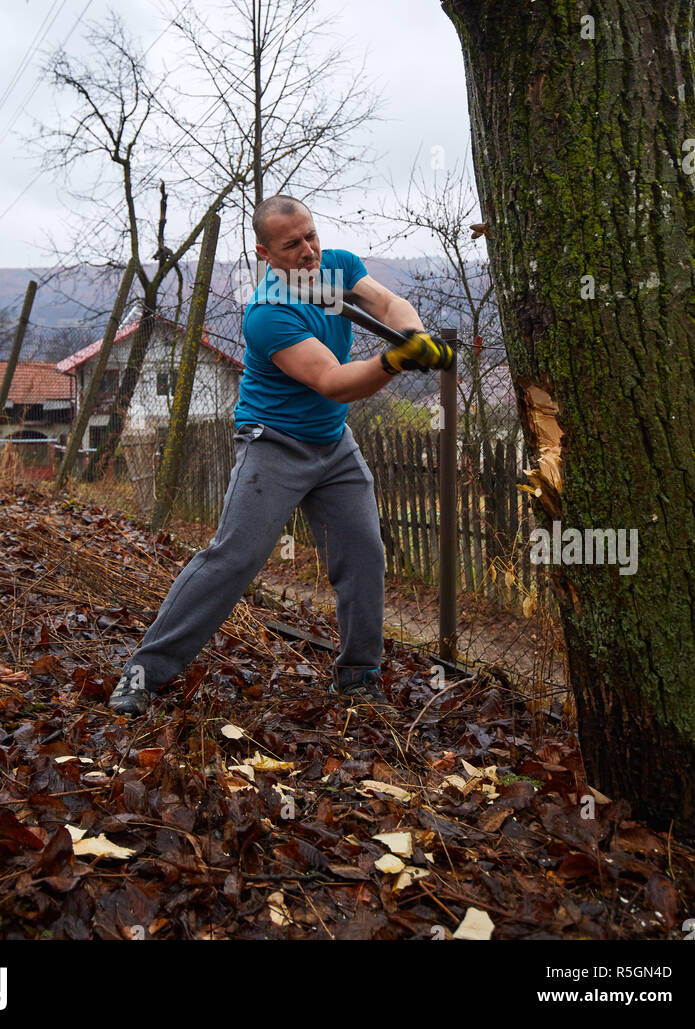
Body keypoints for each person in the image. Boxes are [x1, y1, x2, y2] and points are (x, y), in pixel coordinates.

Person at [109, 194, 449, 718]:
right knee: (233, 558)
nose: (308, 251)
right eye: (292, 245)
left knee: (363, 555)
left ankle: (359, 678)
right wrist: (394, 361)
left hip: (333, 446)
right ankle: (142, 673)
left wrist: (414, 334)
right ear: (266, 254)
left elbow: (387, 305)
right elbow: (333, 382)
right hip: (274, 444)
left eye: (311, 235)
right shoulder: (269, 314)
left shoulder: (336, 267)